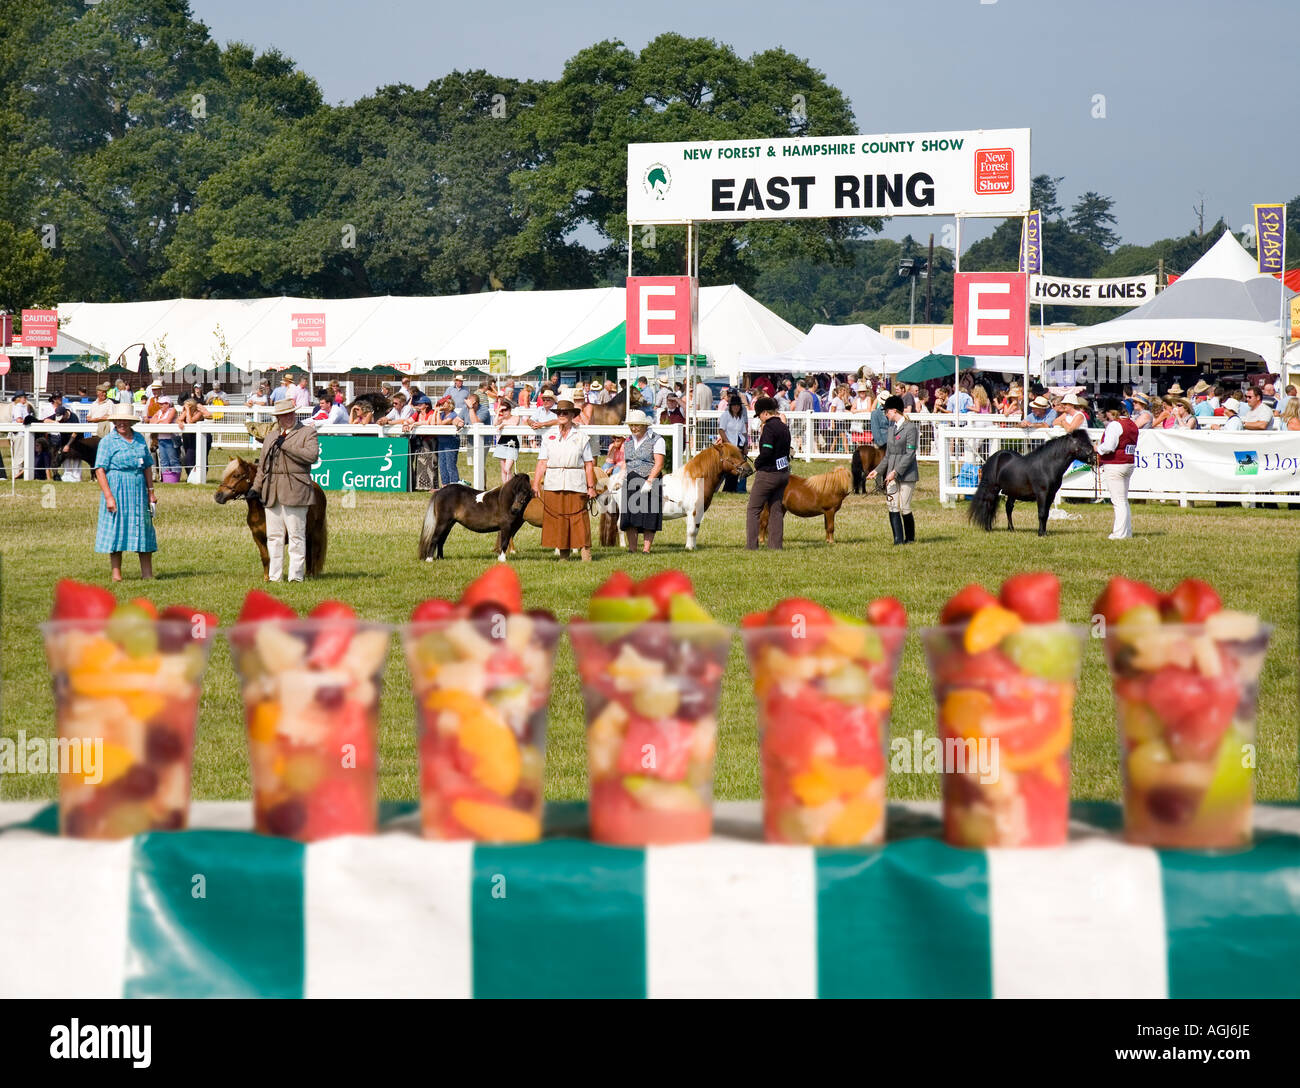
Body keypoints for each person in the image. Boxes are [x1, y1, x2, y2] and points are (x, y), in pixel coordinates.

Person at [244, 399, 320, 582]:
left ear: (294, 413)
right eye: (282, 415)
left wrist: (285, 444)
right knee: (274, 536)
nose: (286, 417)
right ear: (277, 417)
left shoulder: (307, 433)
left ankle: (296, 576)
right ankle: (275, 575)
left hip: (296, 489)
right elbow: (262, 466)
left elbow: (311, 456)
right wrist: (256, 488)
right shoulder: (271, 436)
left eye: (289, 413)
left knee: (296, 536)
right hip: (272, 491)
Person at [93, 402, 158, 581]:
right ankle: (116, 575)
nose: (122, 423)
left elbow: (147, 466)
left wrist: (150, 492)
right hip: (117, 488)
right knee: (116, 530)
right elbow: (100, 470)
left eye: (125, 420)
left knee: (143, 529)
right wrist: (108, 497)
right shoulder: (107, 442)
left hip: (138, 490)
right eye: (119, 420)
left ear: (131, 422)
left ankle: (147, 574)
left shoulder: (139, 439)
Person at [532, 397, 596, 561]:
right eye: (559, 412)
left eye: (564, 412)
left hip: (576, 481)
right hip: (553, 482)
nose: (561, 415)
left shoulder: (582, 437)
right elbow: (542, 462)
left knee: (579, 518)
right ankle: (563, 555)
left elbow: (589, 464)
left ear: (571, 415)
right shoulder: (549, 436)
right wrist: (536, 484)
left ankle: (585, 553)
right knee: (558, 519)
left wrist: (591, 486)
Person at [867, 395, 919, 545]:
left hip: (907, 473)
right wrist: (877, 470)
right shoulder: (891, 429)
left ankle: (909, 538)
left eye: (887, 411)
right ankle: (897, 539)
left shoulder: (910, 428)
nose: (885, 414)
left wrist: (895, 472)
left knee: (904, 506)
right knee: (892, 505)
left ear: (894, 411)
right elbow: (888, 455)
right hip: (890, 472)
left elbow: (910, 454)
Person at [746, 396, 791, 550]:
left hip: (768, 474)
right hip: (783, 473)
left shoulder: (769, 428)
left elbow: (766, 451)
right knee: (776, 510)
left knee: (753, 509)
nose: (759, 419)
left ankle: (751, 546)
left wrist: (757, 463)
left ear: (765, 413)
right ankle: (775, 546)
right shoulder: (784, 427)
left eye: (759, 415)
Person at [619, 409, 665, 554]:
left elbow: (658, 464)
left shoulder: (657, 440)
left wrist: (650, 481)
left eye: (637, 425)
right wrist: (621, 475)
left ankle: (646, 550)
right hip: (631, 480)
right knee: (630, 516)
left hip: (649, 480)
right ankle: (632, 549)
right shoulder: (627, 440)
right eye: (631, 425)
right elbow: (627, 461)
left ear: (645, 425)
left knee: (649, 516)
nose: (633, 428)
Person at [1094, 398, 1139, 541]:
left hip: (1115, 464)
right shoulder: (1131, 424)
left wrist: (1097, 448)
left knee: (1118, 501)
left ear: (1109, 412)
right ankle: (1127, 532)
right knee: (1123, 500)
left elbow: (1109, 447)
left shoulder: (1115, 425)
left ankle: (1119, 534)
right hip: (1128, 463)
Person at [718, 393, 750, 494]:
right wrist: (728, 443)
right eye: (734, 405)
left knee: (738, 467)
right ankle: (727, 489)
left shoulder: (740, 417)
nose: (736, 407)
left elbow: (744, 432)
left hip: (739, 444)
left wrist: (745, 446)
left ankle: (734, 489)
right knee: (729, 468)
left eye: (738, 405)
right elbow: (721, 430)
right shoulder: (725, 415)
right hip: (729, 445)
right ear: (730, 406)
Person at [433, 395, 463, 485]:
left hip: (451, 441)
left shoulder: (453, 414)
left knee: (450, 464)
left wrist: (438, 412)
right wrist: (436, 411)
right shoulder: (442, 414)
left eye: (444, 403)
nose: (442, 404)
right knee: (442, 465)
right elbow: (433, 422)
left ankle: (454, 484)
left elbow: (440, 424)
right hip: (441, 441)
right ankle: (445, 484)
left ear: (449, 404)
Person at [152, 395, 181, 481]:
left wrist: (158, 421)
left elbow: (167, 421)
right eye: (160, 404)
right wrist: (159, 421)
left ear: (167, 404)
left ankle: (175, 478)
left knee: (173, 460)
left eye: (162, 404)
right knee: (163, 460)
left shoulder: (172, 410)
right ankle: (166, 478)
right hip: (161, 439)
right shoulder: (159, 412)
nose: (160, 406)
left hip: (170, 439)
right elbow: (151, 421)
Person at [492, 399, 520, 483]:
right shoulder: (501, 418)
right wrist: (498, 412)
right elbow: (494, 423)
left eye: (506, 410)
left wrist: (504, 424)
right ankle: (505, 486)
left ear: (510, 409)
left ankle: (510, 487)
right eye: (502, 410)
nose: (504, 412)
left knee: (508, 469)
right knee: (503, 468)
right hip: (502, 443)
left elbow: (514, 424)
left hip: (513, 444)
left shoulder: (516, 417)